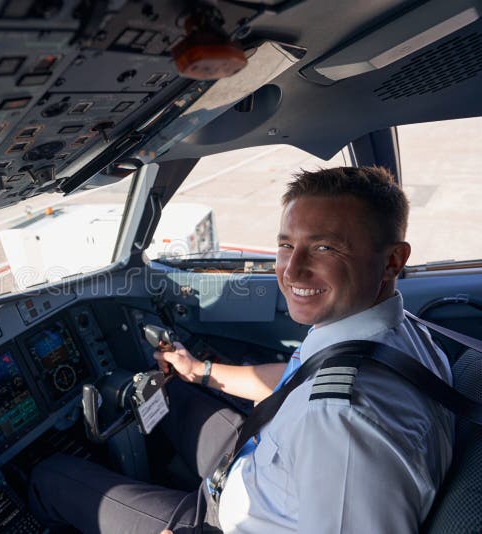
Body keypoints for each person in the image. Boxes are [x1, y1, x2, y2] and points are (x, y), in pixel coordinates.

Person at [29, 166, 454, 533]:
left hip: (219, 521)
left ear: (393, 261)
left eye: (325, 247)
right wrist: (200, 369)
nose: (291, 269)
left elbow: (329, 417)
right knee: (167, 391)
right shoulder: (390, 331)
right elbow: (297, 376)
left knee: (49, 477)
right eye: (287, 244)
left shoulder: (341, 424)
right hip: (262, 467)